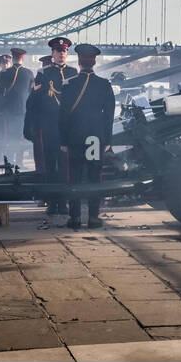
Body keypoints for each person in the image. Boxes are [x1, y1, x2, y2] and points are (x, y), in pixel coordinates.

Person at [58, 43, 114, 229]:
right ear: (94, 62)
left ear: (80, 62)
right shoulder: (104, 85)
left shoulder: (69, 84)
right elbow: (109, 115)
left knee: (73, 177)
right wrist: (108, 139)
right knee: (94, 177)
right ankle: (93, 218)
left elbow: (63, 115)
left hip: (74, 137)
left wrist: (63, 141)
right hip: (96, 138)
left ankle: (74, 217)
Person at [28, 39, 76, 215]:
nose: (61, 54)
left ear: (67, 54)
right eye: (58, 51)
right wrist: (33, 124)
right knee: (50, 165)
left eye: (64, 51)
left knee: (66, 166)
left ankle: (63, 202)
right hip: (49, 126)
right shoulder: (43, 73)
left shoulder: (73, 72)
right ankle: (52, 202)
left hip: (67, 128)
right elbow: (33, 101)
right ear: (52, 54)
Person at [0, 48, 33, 166]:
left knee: (9, 138)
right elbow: (32, 93)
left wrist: (0, 110)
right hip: (24, 111)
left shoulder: (5, 73)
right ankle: (19, 163)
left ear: (13, 57)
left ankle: (9, 162)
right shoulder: (29, 73)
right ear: (22, 58)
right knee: (20, 138)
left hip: (9, 112)